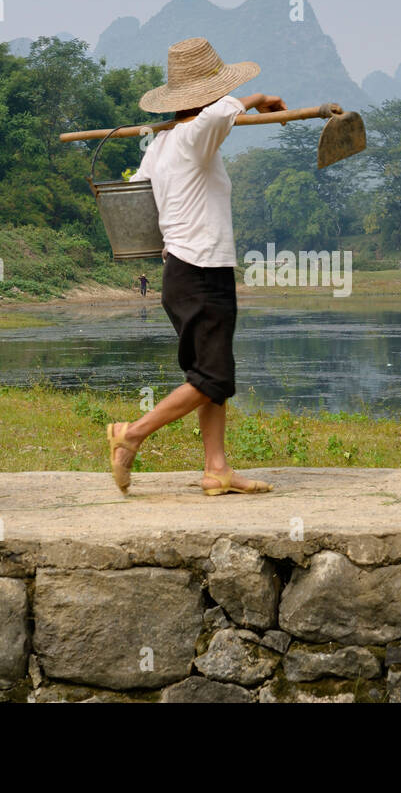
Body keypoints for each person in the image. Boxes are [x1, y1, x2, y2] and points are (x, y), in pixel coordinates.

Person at [105, 37, 285, 496]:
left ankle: (216, 468)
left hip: (181, 274)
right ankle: (132, 435)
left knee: (207, 373)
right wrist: (260, 99)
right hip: (202, 270)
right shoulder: (193, 134)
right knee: (214, 376)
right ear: (204, 96)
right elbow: (224, 110)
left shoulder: (161, 144)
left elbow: (138, 199)